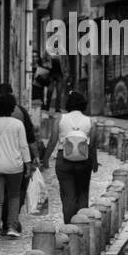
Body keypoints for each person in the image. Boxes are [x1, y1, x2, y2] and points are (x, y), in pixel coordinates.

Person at [0, 81, 39, 233]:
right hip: (15, 165)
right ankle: (12, 226)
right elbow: (25, 145)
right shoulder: (18, 123)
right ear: (12, 106)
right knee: (14, 196)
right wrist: (29, 164)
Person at [41, 89, 98, 224]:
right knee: (83, 193)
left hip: (64, 160)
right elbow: (93, 145)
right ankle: (82, 225)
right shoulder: (90, 122)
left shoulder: (60, 119)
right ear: (83, 105)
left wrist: (46, 159)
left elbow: (53, 141)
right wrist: (94, 162)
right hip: (84, 161)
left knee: (68, 195)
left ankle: (69, 226)